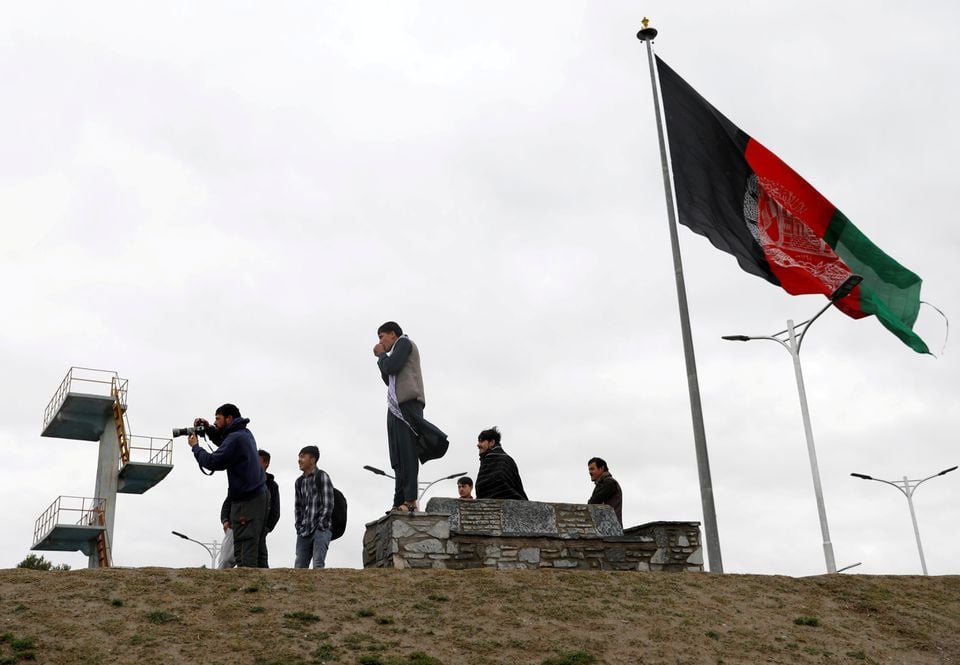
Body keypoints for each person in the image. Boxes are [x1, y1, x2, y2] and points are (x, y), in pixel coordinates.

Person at [373, 321, 449, 513]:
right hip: (395, 405)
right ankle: (399, 500)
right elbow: (387, 377)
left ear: (392, 334)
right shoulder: (395, 351)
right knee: (397, 455)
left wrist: (381, 355)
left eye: (382, 337)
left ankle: (410, 500)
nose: (381, 341)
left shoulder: (404, 344)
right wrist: (383, 359)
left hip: (408, 403)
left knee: (407, 451)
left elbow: (391, 366)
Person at [189, 404, 267, 568]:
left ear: (229, 418)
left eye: (218, 419)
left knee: (244, 550)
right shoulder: (243, 433)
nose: (215, 422)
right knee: (256, 550)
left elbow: (213, 461)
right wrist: (209, 429)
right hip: (256, 497)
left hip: (247, 501)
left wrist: (196, 447)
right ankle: (258, 590)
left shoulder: (236, 438)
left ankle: (248, 589)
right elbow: (224, 442)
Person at [219, 449, 280, 568]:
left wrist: (266, 528)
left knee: (256, 561)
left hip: (258, 529)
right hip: (236, 525)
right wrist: (225, 520)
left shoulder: (271, 485)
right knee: (226, 561)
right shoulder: (242, 479)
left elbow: (275, 511)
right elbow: (228, 501)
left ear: (266, 463)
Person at [294, 445, 334, 568]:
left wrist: (321, 525)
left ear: (312, 459)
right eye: (299, 457)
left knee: (318, 565)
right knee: (299, 567)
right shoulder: (299, 482)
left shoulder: (322, 476)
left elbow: (328, 503)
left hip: (320, 529)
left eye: (302, 456)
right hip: (304, 531)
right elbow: (298, 507)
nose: (299, 460)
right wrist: (299, 527)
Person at [475, 426, 527, 500]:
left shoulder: (504, 460)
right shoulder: (486, 461)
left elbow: (503, 486)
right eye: (478, 441)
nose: (478, 445)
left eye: (481, 441)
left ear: (492, 442)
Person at [587, 457, 623, 525]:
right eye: (589, 470)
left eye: (592, 469)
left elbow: (593, 503)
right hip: (608, 526)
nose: (590, 472)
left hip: (609, 528)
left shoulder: (609, 483)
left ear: (601, 468)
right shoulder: (604, 483)